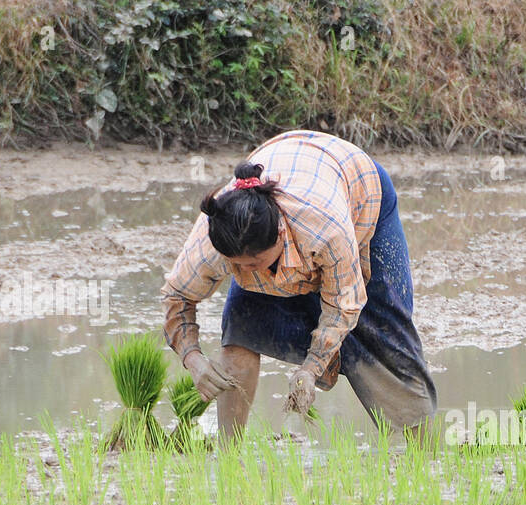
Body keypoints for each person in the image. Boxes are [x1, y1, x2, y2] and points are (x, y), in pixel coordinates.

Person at [160, 130, 437, 439]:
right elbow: (177, 296)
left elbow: (343, 307)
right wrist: (193, 359)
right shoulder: (216, 238)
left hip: (360, 189)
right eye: (234, 265)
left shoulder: (325, 231)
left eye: (252, 264)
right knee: (240, 327)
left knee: (386, 334)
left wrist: (311, 368)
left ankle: (424, 457)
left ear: (279, 236)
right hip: (288, 165)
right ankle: (229, 453)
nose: (242, 272)